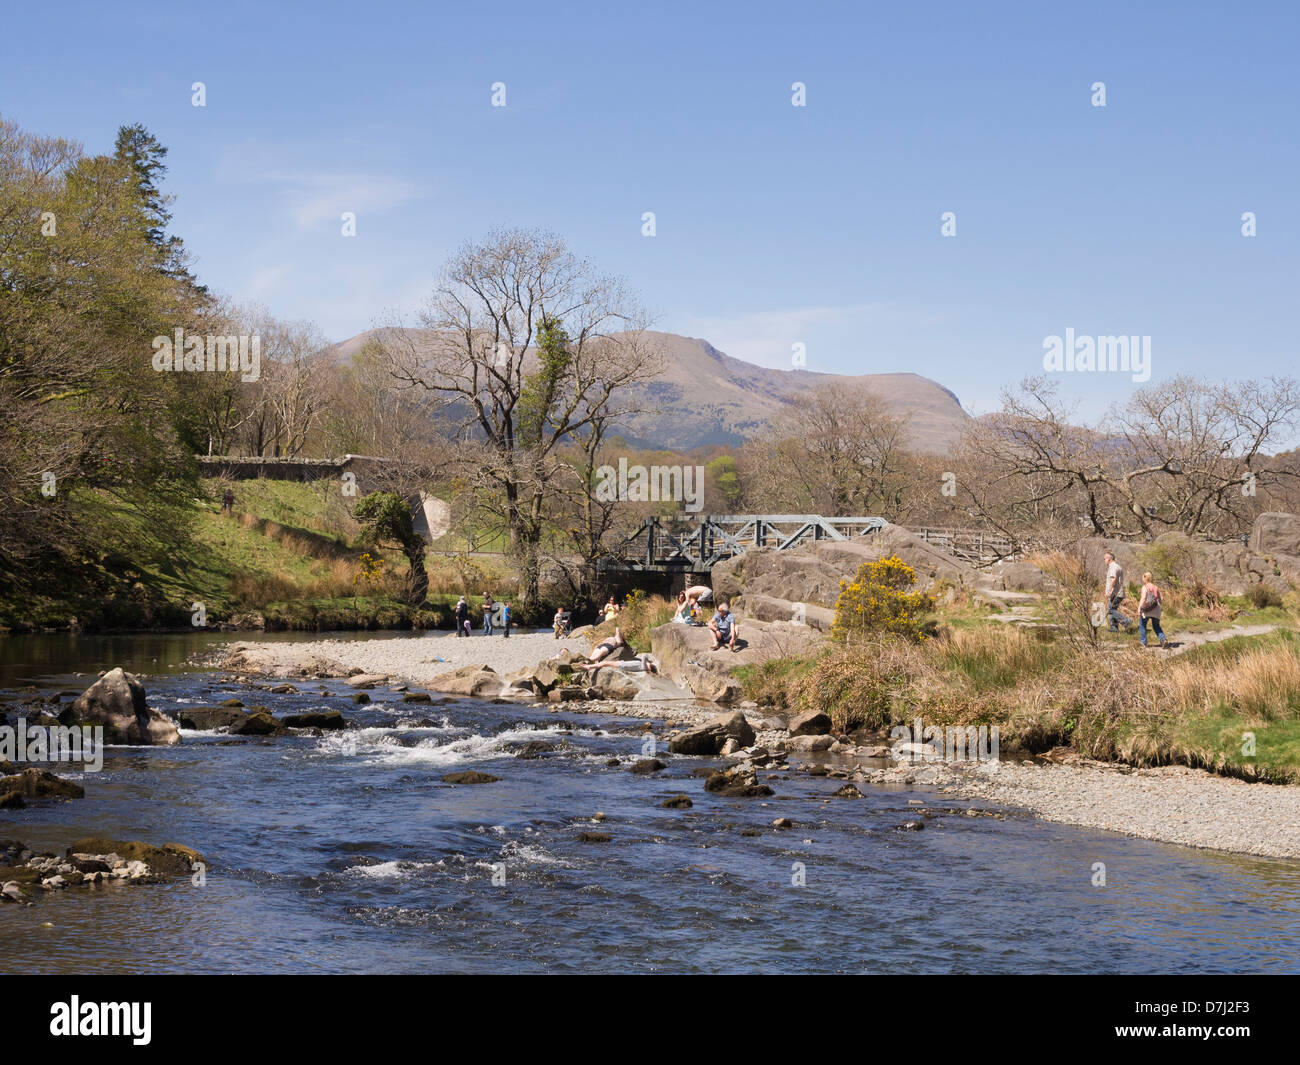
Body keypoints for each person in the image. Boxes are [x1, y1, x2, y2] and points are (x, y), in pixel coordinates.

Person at [1103, 551, 1132, 632]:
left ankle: (1126, 621)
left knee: (1111, 610)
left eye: (1104, 558)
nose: (1104, 560)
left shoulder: (1113, 567)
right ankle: (1114, 628)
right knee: (1111, 609)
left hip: (1115, 593)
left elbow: (1113, 579)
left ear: (1109, 559)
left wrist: (1109, 591)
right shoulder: (1117, 566)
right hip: (1118, 592)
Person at [1137, 571, 1168, 648]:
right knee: (1156, 626)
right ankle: (1163, 639)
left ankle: (1143, 643)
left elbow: (1143, 598)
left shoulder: (1144, 587)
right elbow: (1160, 600)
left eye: (1142, 578)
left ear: (1145, 578)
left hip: (1146, 609)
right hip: (1156, 609)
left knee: (1142, 625)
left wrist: (1139, 608)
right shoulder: (1156, 587)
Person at [573, 652, 658, 675]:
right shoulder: (644, 667)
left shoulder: (644, 667)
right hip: (622, 664)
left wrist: (649, 662)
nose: (649, 664)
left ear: (650, 668)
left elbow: (644, 656)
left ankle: (589, 667)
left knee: (604, 663)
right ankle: (590, 666)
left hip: (622, 665)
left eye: (650, 666)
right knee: (604, 663)